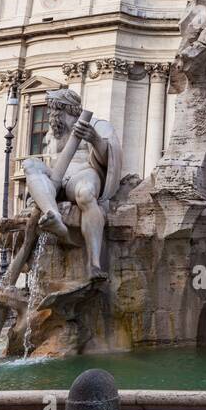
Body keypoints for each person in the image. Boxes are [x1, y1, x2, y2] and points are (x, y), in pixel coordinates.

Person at [23, 88, 122, 281]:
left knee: (85, 193)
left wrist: (94, 139)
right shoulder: (54, 133)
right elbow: (51, 162)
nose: (52, 115)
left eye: (56, 110)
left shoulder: (96, 125)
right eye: (51, 110)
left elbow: (112, 158)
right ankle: (53, 215)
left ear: (69, 109)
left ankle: (93, 264)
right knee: (30, 164)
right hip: (56, 179)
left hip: (83, 173)